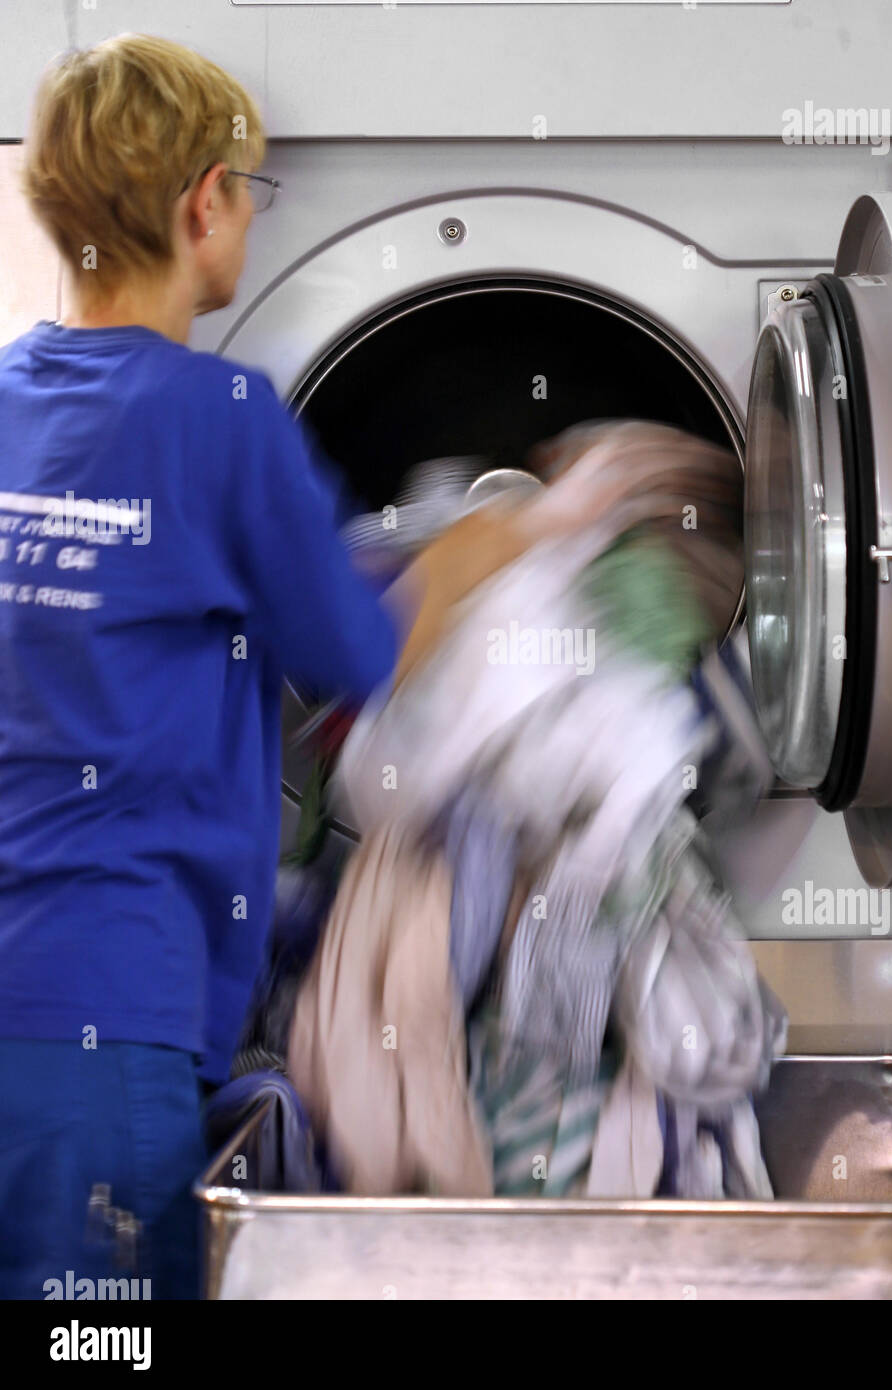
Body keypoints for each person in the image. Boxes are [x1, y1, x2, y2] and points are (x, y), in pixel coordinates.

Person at [0, 34, 599, 1300]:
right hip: (109, 1012)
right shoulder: (220, 423)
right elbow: (359, 655)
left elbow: (148, 607)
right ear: (203, 200)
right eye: (249, 193)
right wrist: (486, 540)